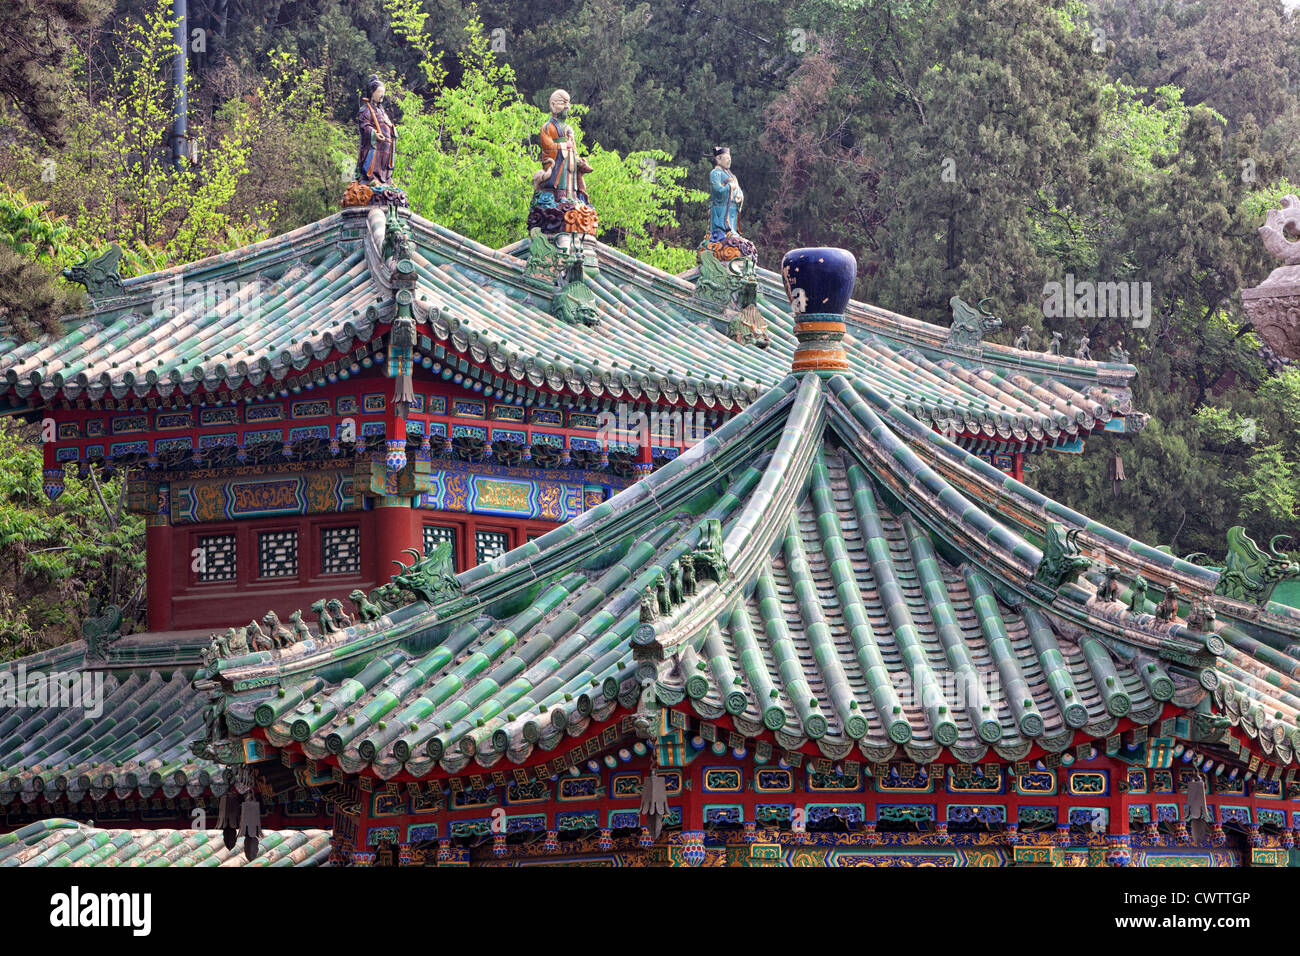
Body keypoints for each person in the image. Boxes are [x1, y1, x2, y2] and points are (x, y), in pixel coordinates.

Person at [535, 89, 592, 203]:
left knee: (572, 174)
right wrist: (563, 145)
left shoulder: (568, 128)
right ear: (553, 104)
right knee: (563, 174)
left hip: (570, 157)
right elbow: (547, 146)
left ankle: (572, 195)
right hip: (557, 159)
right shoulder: (547, 127)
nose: (567, 107)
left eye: (568, 103)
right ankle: (560, 194)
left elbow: (573, 146)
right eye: (563, 103)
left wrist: (577, 158)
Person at [356, 75, 397, 186]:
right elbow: (364, 125)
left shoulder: (381, 110)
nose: (381, 95)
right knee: (374, 161)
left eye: (383, 92)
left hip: (386, 145)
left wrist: (392, 130)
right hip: (374, 145)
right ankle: (372, 178)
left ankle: (386, 179)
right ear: (372, 93)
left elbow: (388, 123)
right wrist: (374, 134)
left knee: (385, 162)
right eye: (379, 92)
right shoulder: (366, 109)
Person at [708, 146, 744, 240]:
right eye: (727, 158)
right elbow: (717, 190)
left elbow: (737, 188)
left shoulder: (729, 173)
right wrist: (730, 187)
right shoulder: (715, 173)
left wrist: (739, 195)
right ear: (718, 159)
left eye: (730, 158)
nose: (729, 161)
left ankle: (732, 231)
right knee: (722, 234)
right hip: (721, 208)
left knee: (733, 230)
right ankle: (722, 232)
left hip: (732, 206)